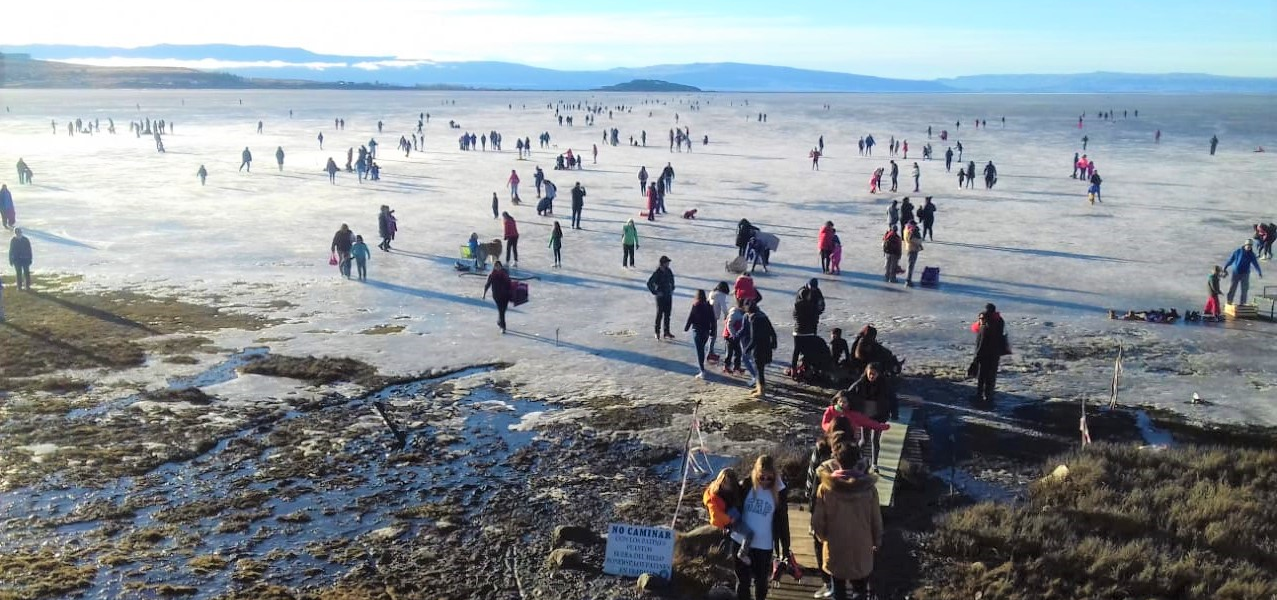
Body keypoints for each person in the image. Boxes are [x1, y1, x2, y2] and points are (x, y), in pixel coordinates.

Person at [812, 442, 882, 600]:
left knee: (839, 590)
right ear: (858, 461)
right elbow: (876, 520)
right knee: (860, 590)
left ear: (837, 462)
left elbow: (817, 522)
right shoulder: (869, 489)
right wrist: (877, 542)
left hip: (835, 547)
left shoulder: (826, 488)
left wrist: (824, 538)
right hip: (862, 548)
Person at [734, 455, 791, 600]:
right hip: (742, 543)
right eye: (762, 477)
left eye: (769, 478)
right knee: (743, 582)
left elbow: (783, 521)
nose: (765, 481)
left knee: (761, 582)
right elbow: (730, 505)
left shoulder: (778, 491)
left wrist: (785, 549)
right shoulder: (746, 486)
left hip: (764, 545)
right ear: (755, 473)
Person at [846, 363, 897, 472]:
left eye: (874, 374)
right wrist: (846, 406)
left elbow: (893, 398)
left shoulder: (885, 384)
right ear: (866, 372)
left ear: (878, 374)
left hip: (879, 415)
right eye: (870, 374)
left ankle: (874, 464)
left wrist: (895, 413)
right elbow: (848, 393)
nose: (871, 376)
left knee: (875, 440)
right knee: (864, 440)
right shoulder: (861, 382)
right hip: (865, 416)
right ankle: (855, 458)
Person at [703, 468, 754, 566]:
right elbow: (715, 515)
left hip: (735, 516)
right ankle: (742, 554)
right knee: (749, 534)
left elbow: (743, 487)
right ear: (720, 481)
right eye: (725, 482)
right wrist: (729, 520)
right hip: (727, 521)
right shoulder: (713, 496)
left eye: (730, 483)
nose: (727, 486)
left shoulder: (735, 489)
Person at [971, 303, 1008, 402]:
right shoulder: (999, 320)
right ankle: (989, 395)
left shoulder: (985, 326)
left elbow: (981, 343)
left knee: (982, 376)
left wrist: (976, 358)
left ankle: (979, 395)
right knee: (991, 375)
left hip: (984, 354)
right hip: (995, 353)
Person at [744, 301, 777, 398]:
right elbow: (772, 330)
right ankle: (759, 387)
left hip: (759, 348)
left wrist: (747, 349)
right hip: (766, 345)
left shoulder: (754, 319)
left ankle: (761, 391)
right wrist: (774, 342)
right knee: (759, 368)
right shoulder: (763, 316)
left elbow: (754, 338)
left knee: (759, 370)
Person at [685, 289, 717, 378]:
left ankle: (702, 371)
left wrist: (686, 328)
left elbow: (691, 317)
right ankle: (702, 369)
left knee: (700, 351)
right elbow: (713, 320)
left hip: (697, 331)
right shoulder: (709, 306)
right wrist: (713, 331)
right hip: (706, 331)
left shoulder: (696, 305)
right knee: (702, 349)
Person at [1223, 240, 1263, 305]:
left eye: (1250, 245)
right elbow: (1231, 260)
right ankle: (1229, 301)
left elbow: (1255, 264)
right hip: (1236, 273)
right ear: (1245, 245)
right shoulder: (1237, 252)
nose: (1249, 246)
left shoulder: (1251, 255)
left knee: (1244, 290)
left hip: (1245, 274)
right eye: (1248, 245)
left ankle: (1242, 303)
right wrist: (1225, 267)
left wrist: (1259, 272)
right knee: (1232, 288)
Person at [647, 256, 676, 340]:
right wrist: (655, 292)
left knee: (667, 314)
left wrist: (672, 288)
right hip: (660, 297)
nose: (668, 263)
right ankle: (657, 332)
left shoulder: (668, 270)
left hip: (668, 295)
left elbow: (672, 279)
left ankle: (666, 332)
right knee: (659, 314)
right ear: (663, 263)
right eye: (667, 262)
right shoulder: (657, 272)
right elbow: (649, 283)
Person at [482, 261, 513, 333]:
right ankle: (503, 327)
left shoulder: (505, 273)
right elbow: (487, 285)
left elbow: (509, 283)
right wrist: (484, 294)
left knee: (503, 310)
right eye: (496, 266)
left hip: (505, 295)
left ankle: (499, 321)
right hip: (497, 296)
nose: (498, 267)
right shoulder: (492, 275)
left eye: (499, 266)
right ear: (494, 267)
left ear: (501, 266)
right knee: (501, 311)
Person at [709, 282, 730, 361]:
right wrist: (727, 315)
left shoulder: (712, 292)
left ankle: (710, 353)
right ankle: (710, 353)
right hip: (713, 317)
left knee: (711, 335)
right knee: (713, 336)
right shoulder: (721, 295)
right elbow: (724, 306)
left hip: (708, 315)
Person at [903, 221, 924, 287]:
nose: (915, 226)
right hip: (912, 249)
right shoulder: (911, 231)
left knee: (910, 265)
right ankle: (908, 281)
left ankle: (908, 280)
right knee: (910, 265)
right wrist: (920, 240)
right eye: (914, 225)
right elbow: (912, 239)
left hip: (909, 248)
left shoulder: (906, 229)